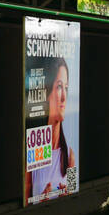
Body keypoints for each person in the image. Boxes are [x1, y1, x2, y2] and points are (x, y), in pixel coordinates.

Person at [26, 57, 76, 202]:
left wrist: (65, 197)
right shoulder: (32, 150)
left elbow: (72, 193)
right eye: (59, 87)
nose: (64, 97)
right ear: (47, 93)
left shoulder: (69, 155)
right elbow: (25, 201)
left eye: (66, 88)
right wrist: (40, 202)